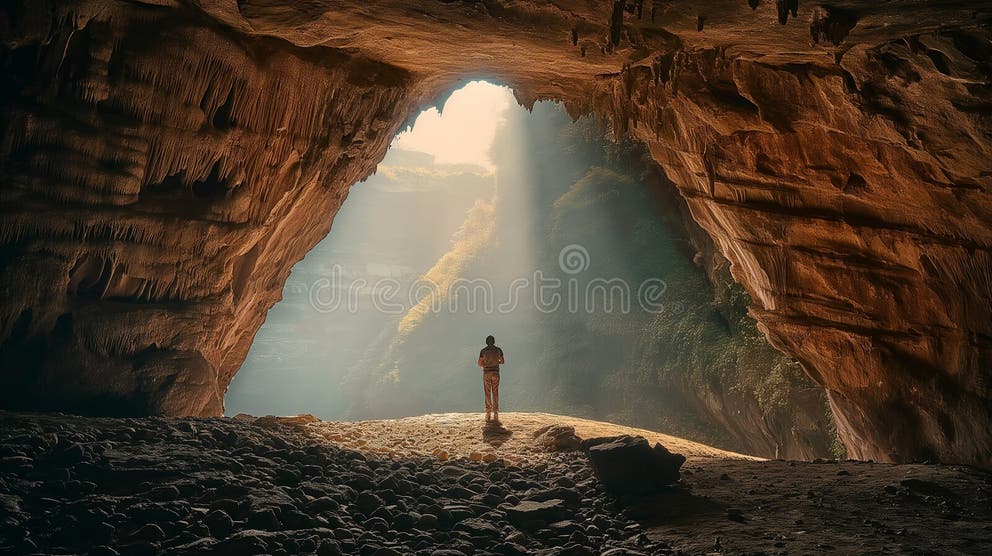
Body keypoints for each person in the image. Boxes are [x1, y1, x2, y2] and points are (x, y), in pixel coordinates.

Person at [477, 335, 505, 422]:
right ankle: (495, 412)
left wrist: (486, 364)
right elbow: (502, 361)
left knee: (487, 392)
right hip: (496, 372)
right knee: (495, 391)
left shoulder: (483, 351)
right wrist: (496, 362)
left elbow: (479, 363)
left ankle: (488, 413)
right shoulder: (498, 350)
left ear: (486, 342)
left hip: (487, 373)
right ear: (494, 342)